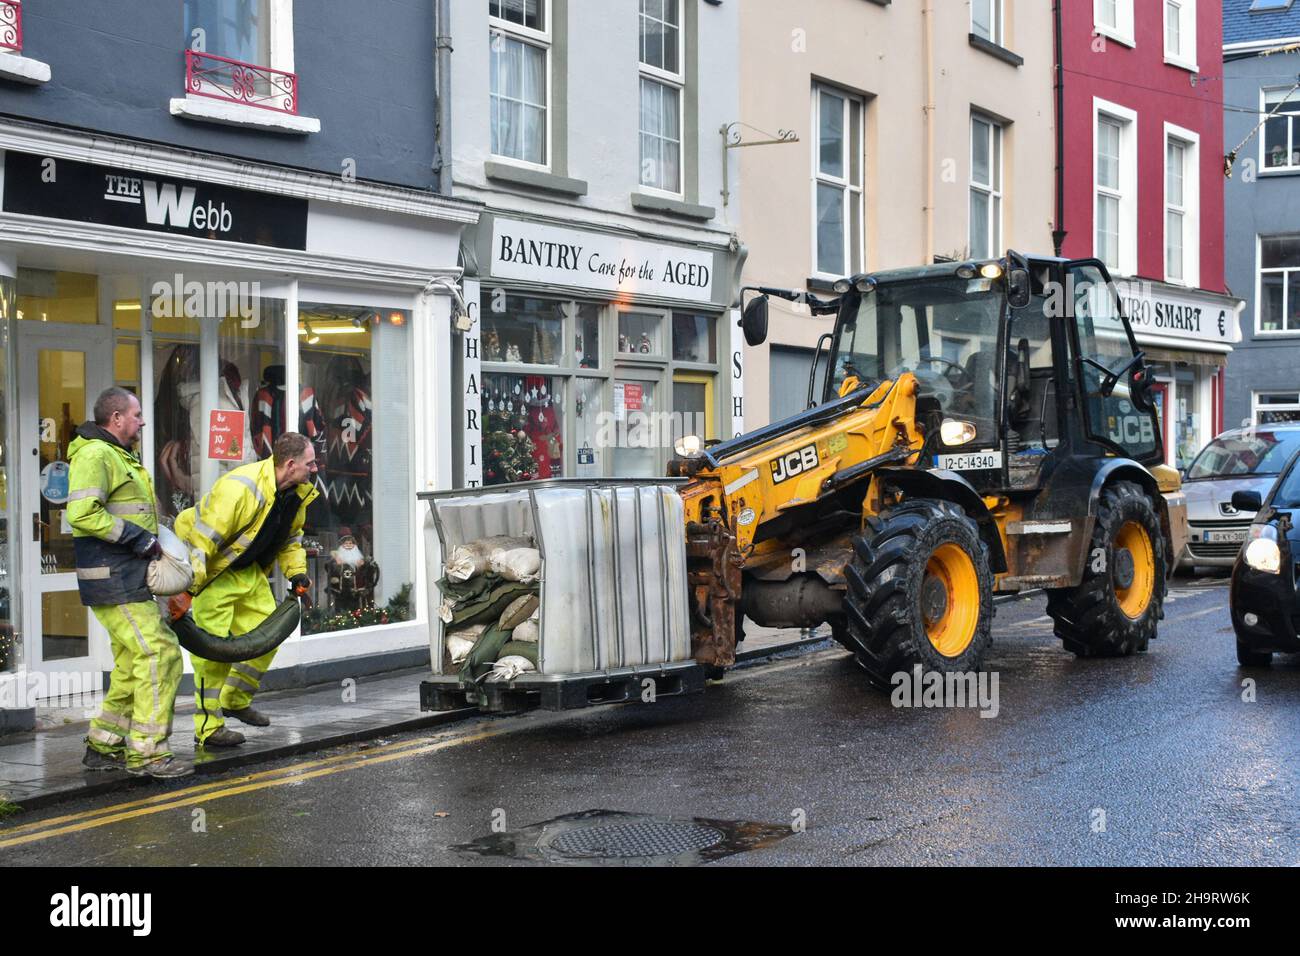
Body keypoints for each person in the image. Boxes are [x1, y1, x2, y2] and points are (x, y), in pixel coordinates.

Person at [68, 387, 192, 779]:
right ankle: (149, 753)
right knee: (160, 654)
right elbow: (82, 513)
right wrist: (140, 539)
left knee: (130, 662)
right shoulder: (96, 454)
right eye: (136, 414)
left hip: (123, 573)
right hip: (115, 575)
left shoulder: (118, 455)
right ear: (116, 418)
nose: (141, 421)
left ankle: (104, 745)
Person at [170, 432, 318, 747]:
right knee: (214, 653)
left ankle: (234, 699)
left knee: (268, 636)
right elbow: (202, 542)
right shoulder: (239, 488)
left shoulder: (296, 493)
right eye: (310, 463)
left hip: (248, 573)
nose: (314, 468)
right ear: (290, 465)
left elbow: (291, 539)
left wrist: (298, 573)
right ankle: (208, 728)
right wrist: (187, 590)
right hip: (213, 572)